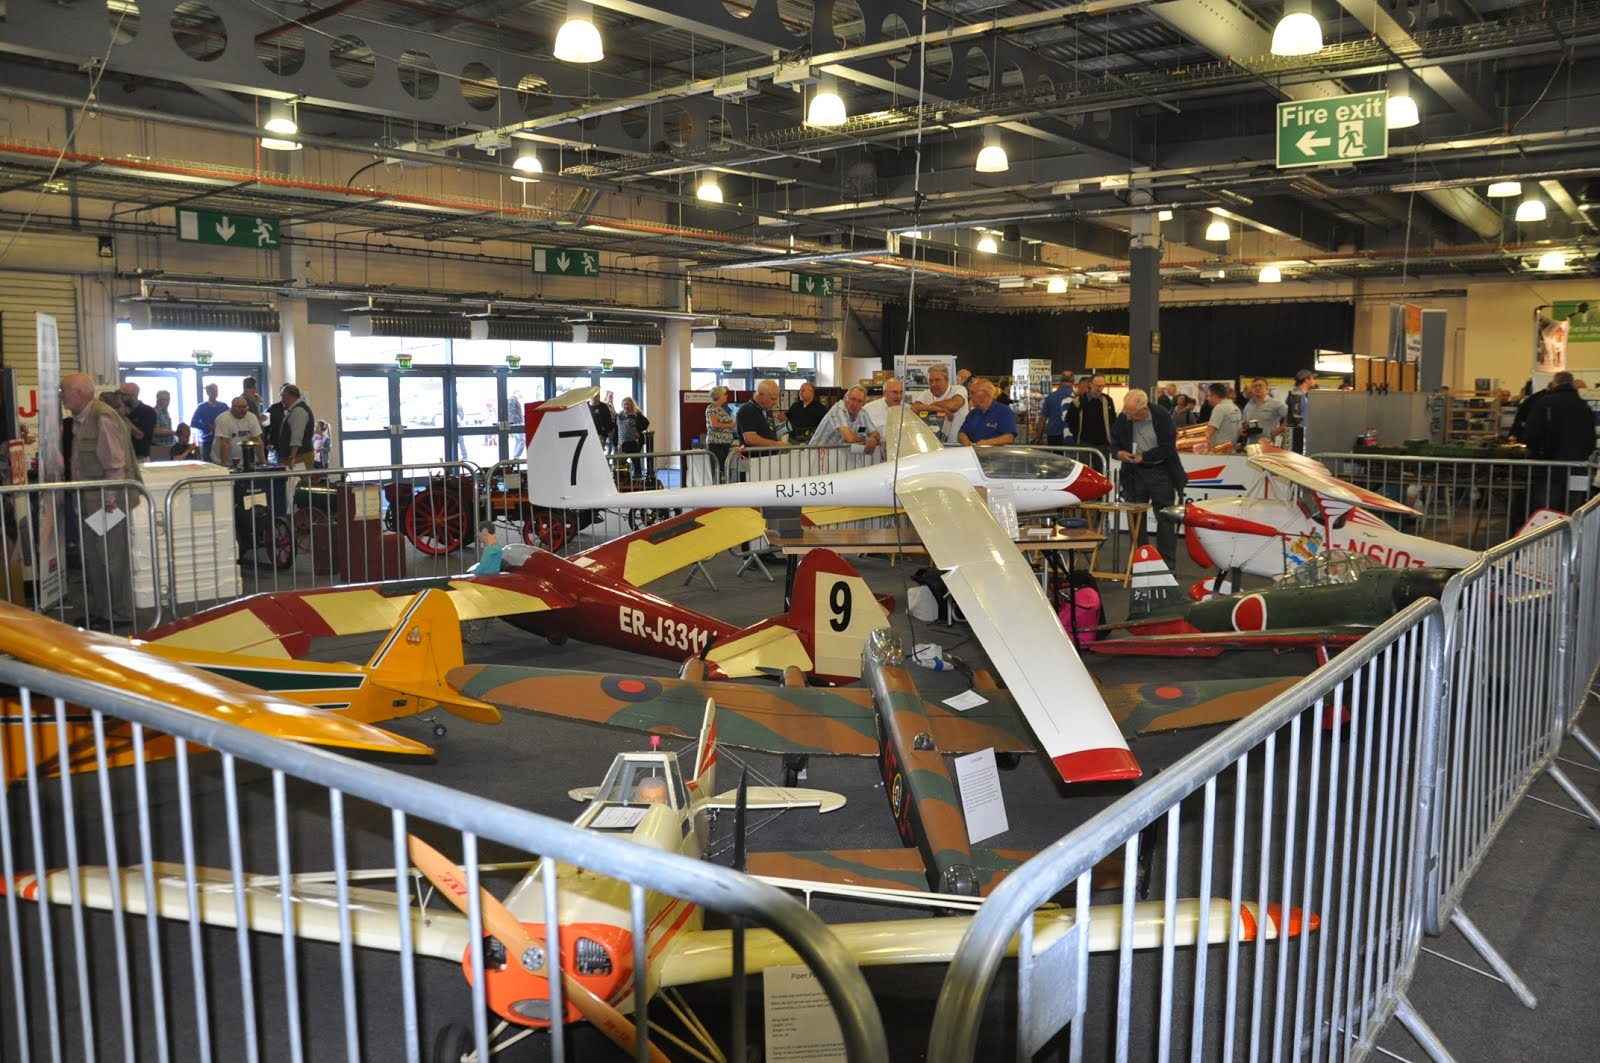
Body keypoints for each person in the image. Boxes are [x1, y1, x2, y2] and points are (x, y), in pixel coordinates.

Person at [62, 373, 142, 630]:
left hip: (107, 503)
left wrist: (109, 501)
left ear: (79, 393)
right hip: (91, 502)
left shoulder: (102, 416)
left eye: (64, 391)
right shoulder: (82, 419)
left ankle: (119, 614)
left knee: (111, 558)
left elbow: (115, 465)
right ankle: (102, 611)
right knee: (95, 558)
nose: (61, 396)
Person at [1112, 388, 1187, 564]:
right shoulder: (1124, 417)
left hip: (1160, 472)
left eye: (1131, 414)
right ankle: (1140, 564)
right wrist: (1118, 454)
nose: (1128, 417)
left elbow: (1168, 448)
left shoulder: (1161, 416)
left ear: (1144, 409)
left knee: (1165, 520)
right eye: (1126, 412)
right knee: (1136, 521)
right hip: (1133, 474)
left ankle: (1167, 566)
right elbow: (1113, 444)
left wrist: (1144, 457)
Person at [1522, 371, 1597, 506]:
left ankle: (1552, 527)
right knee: (1575, 503)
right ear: (1572, 384)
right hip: (1577, 463)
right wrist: (1585, 453)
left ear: (1555, 383)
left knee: (1548, 506)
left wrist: (1535, 451)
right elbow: (1590, 436)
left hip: (1549, 463)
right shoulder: (1583, 405)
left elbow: (1532, 432)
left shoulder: (1544, 403)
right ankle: (1573, 527)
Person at [810, 385, 881, 451]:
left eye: (859, 401)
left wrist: (873, 439)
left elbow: (875, 432)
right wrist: (867, 441)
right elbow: (849, 438)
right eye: (853, 399)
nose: (855, 404)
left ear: (863, 404)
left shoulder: (862, 413)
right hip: (816, 456)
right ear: (845, 398)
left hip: (835, 458)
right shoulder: (837, 409)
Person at [909, 366, 968, 444]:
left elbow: (954, 405)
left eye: (937, 380)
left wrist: (933, 405)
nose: (933, 384)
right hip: (935, 446)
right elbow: (913, 409)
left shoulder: (959, 389)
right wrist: (939, 409)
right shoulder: (927, 393)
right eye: (931, 381)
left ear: (947, 380)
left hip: (957, 446)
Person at [1068, 373, 1115, 462]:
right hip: (1084, 444)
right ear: (1090, 384)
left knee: (1102, 471)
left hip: (1104, 445)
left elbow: (1113, 420)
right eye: (1097, 386)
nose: (1100, 389)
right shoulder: (1078, 401)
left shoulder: (1108, 400)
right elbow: (1070, 419)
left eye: (1102, 386)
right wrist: (1077, 435)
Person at [958, 378, 1018, 446]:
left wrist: (986, 443)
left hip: (996, 455)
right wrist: (964, 440)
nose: (970, 396)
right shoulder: (972, 414)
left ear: (984, 394)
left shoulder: (1004, 411)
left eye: (973, 393)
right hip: (974, 455)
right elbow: (962, 433)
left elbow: (1009, 438)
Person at [211, 395, 264, 468]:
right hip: (223, 462)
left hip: (245, 462)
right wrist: (223, 465)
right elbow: (225, 444)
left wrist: (263, 461)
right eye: (240, 407)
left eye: (245, 407)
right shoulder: (223, 419)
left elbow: (257, 440)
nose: (243, 410)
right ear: (232, 407)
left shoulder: (252, 417)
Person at [1240, 377, 1290, 446]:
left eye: (1260, 386)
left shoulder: (1275, 403)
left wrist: (1278, 431)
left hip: (1270, 445)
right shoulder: (1248, 406)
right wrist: (1243, 431)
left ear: (1267, 389)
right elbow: (1244, 423)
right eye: (1255, 386)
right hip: (1251, 446)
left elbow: (1290, 417)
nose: (1257, 388)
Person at [737, 379, 787, 447]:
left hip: (769, 456)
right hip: (755, 457)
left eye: (776, 399)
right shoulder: (748, 410)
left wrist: (779, 442)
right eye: (772, 399)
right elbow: (750, 438)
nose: (775, 403)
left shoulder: (767, 409)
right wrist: (775, 444)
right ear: (761, 394)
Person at [275, 384, 315, 469]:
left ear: (287, 397)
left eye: (282, 397)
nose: (282, 401)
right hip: (298, 455)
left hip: (299, 457)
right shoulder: (295, 409)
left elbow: (296, 436)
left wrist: (291, 457)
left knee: (299, 482)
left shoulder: (298, 411)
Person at [704, 385, 737, 481]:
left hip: (724, 444)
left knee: (724, 469)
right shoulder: (711, 408)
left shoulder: (720, 409)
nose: (726, 396)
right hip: (716, 444)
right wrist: (730, 426)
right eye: (724, 394)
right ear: (719, 395)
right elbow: (714, 424)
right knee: (718, 469)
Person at [1198, 382, 1242, 453]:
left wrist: (1195, 445)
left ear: (1214, 396)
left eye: (1208, 396)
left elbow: (1209, 432)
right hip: (1231, 450)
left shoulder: (1219, 408)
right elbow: (1240, 431)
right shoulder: (1235, 407)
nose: (1207, 399)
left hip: (1219, 452)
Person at [119, 381, 158, 460]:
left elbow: (140, 435)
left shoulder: (148, 412)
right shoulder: (120, 410)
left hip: (139, 456)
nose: (121, 397)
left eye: (124, 395)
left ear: (133, 396)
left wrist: (124, 418)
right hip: (122, 455)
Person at [1037, 371, 1075, 446]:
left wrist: (1039, 437)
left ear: (1060, 381)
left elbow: (1042, 419)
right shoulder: (1076, 397)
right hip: (1071, 435)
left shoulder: (1051, 397)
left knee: (1055, 457)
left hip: (1053, 435)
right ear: (1073, 382)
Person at [861, 378, 905, 442]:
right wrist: (873, 438)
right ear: (884, 393)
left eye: (901, 392)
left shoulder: (907, 410)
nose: (899, 396)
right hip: (877, 450)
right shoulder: (868, 410)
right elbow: (860, 431)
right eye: (894, 392)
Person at [191, 383, 227, 459]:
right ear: (207, 393)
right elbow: (193, 423)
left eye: (216, 391)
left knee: (222, 461)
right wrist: (208, 427)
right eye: (212, 391)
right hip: (207, 441)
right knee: (207, 461)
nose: (215, 393)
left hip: (222, 439)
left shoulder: (224, 406)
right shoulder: (201, 407)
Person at [615, 396, 650, 472]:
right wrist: (615, 442)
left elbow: (646, 423)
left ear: (632, 405)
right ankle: (624, 480)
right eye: (624, 404)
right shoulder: (619, 415)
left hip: (634, 442)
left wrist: (638, 431)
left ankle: (638, 478)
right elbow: (617, 428)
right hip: (622, 443)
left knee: (635, 461)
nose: (626, 406)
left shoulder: (637, 414)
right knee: (621, 463)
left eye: (628, 404)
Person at [1286, 369, 1316, 452]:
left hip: (1301, 435)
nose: (1314, 380)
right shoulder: (1297, 395)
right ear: (1306, 380)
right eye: (1313, 378)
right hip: (1299, 436)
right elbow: (1294, 419)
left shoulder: (1301, 395)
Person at [508, 389, 527, 459]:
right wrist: (517, 422)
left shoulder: (513, 399)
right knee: (522, 441)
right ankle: (516, 457)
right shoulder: (513, 399)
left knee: (518, 441)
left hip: (516, 422)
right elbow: (511, 412)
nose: (521, 394)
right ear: (517, 392)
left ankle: (515, 457)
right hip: (517, 423)